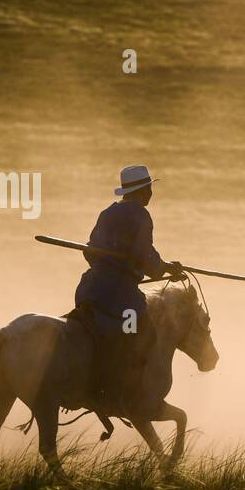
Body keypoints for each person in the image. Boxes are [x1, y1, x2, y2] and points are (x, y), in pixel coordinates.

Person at [73, 165, 181, 409]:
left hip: (90, 289)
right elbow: (145, 255)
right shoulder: (140, 215)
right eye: (150, 188)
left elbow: (91, 252)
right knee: (143, 334)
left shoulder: (107, 213)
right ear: (143, 190)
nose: (151, 193)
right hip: (120, 295)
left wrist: (124, 264)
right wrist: (163, 268)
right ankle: (126, 394)